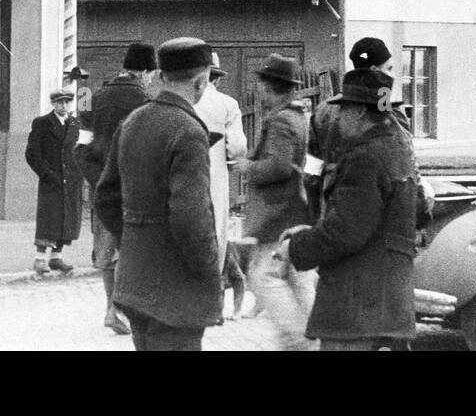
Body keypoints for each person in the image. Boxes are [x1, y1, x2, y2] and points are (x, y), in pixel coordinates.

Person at [280, 36, 418, 350]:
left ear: (355, 109)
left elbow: (313, 176)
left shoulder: (328, 118)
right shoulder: (396, 133)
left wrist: (306, 235)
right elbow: (418, 202)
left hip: (359, 297)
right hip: (385, 290)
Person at [94, 37, 222, 351]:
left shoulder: (134, 121)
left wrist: (137, 237)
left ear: (162, 76)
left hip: (135, 278)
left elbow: (105, 196)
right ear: (201, 81)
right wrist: (209, 272)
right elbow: (192, 217)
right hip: (174, 287)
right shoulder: (189, 130)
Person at [235, 54, 315, 349]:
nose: (261, 93)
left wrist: (249, 168)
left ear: (270, 88)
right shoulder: (298, 116)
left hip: (278, 213)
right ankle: (313, 335)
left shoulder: (281, 121)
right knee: (298, 277)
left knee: (262, 277)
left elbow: (279, 166)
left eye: (263, 87)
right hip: (295, 210)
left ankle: (297, 338)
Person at [77, 43, 152, 335]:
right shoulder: (145, 102)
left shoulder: (93, 98)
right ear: (145, 71)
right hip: (133, 190)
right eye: (151, 73)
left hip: (101, 191)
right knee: (133, 251)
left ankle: (112, 308)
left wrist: (98, 181)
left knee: (108, 254)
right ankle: (117, 310)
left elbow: (80, 149)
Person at [195, 55, 248, 273]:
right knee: (215, 231)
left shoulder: (179, 102)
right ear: (216, 79)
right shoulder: (227, 104)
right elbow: (237, 148)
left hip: (180, 178)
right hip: (214, 177)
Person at [25, 89, 83, 276]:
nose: (64, 106)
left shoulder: (75, 124)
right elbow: (32, 154)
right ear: (53, 104)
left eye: (67, 102)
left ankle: (56, 257)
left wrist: (79, 172)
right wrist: (47, 174)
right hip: (52, 180)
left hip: (71, 180)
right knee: (49, 218)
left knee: (67, 219)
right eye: (60, 103)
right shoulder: (42, 123)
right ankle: (40, 259)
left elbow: (83, 149)